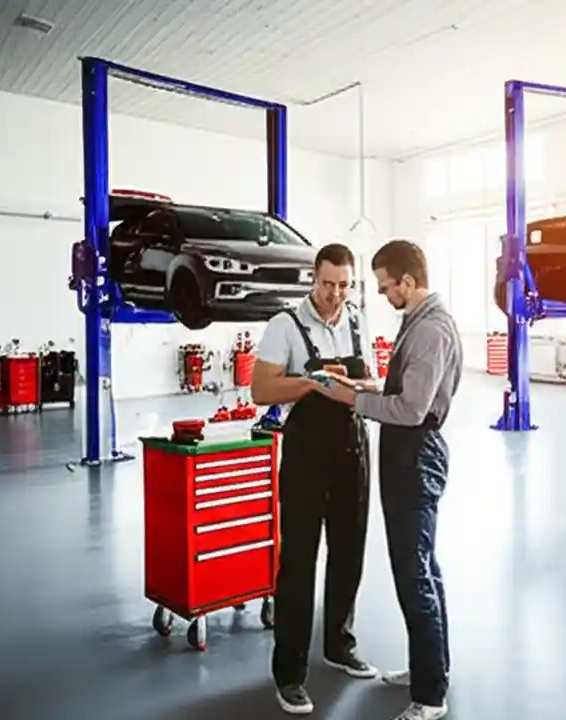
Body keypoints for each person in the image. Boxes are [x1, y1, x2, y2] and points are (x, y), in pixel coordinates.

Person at [313, 239, 462, 720]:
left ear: (408, 282)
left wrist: (350, 401)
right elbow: (399, 389)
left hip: (415, 454)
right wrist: (358, 383)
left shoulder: (430, 331)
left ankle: (431, 698)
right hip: (407, 452)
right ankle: (430, 670)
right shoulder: (417, 323)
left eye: (385, 287)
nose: (382, 295)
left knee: (413, 574)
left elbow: (410, 408)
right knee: (422, 566)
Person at [250, 242, 379, 716]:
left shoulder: (358, 320)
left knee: (349, 553)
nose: (335, 294)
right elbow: (261, 389)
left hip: (353, 449)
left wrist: (360, 386)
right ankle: (289, 674)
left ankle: (340, 645)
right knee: (299, 563)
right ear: (313, 278)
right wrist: (310, 381)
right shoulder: (285, 325)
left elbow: (375, 378)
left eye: (344, 285)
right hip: (306, 454)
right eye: (328, 284)